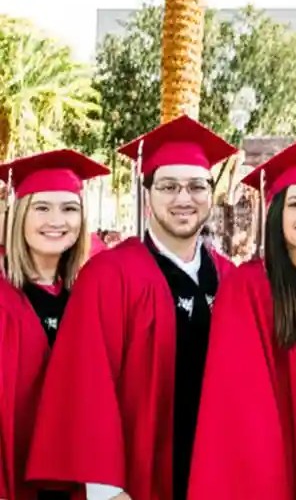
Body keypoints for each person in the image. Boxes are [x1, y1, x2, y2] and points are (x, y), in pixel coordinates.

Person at [26, 116, 238, 500]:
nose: (183, 198)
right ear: (147, 193)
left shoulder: (231, 279)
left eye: (196, 186)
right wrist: (106, 489)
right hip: (135, 485)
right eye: (168, 186)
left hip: (216, 476)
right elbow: (85, 384)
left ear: (211, 193)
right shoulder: (109, 275)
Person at [187, 139, 296, 500]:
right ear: (276, 213)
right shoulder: (248, 286)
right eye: (294, 204)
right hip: (279, 468)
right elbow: (238, 405)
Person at [0, 150, 109, 500]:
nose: (56, 220)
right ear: (19, 216)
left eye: (69, 208)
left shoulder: (90, 295)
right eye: (42, 207)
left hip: (77, 479)